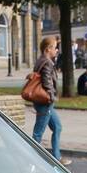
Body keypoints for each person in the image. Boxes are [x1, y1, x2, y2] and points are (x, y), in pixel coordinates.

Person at [32, 36, 67, 164]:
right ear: (48, 49)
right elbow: (47, 82)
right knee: (38, 133)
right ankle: (31, 158)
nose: (57, 50)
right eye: (55, 47)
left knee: (57, 127)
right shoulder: (46, 62)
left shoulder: (42, 60)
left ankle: (56, 157)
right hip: (45, 102)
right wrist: (52, 97)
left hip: (46, 102)